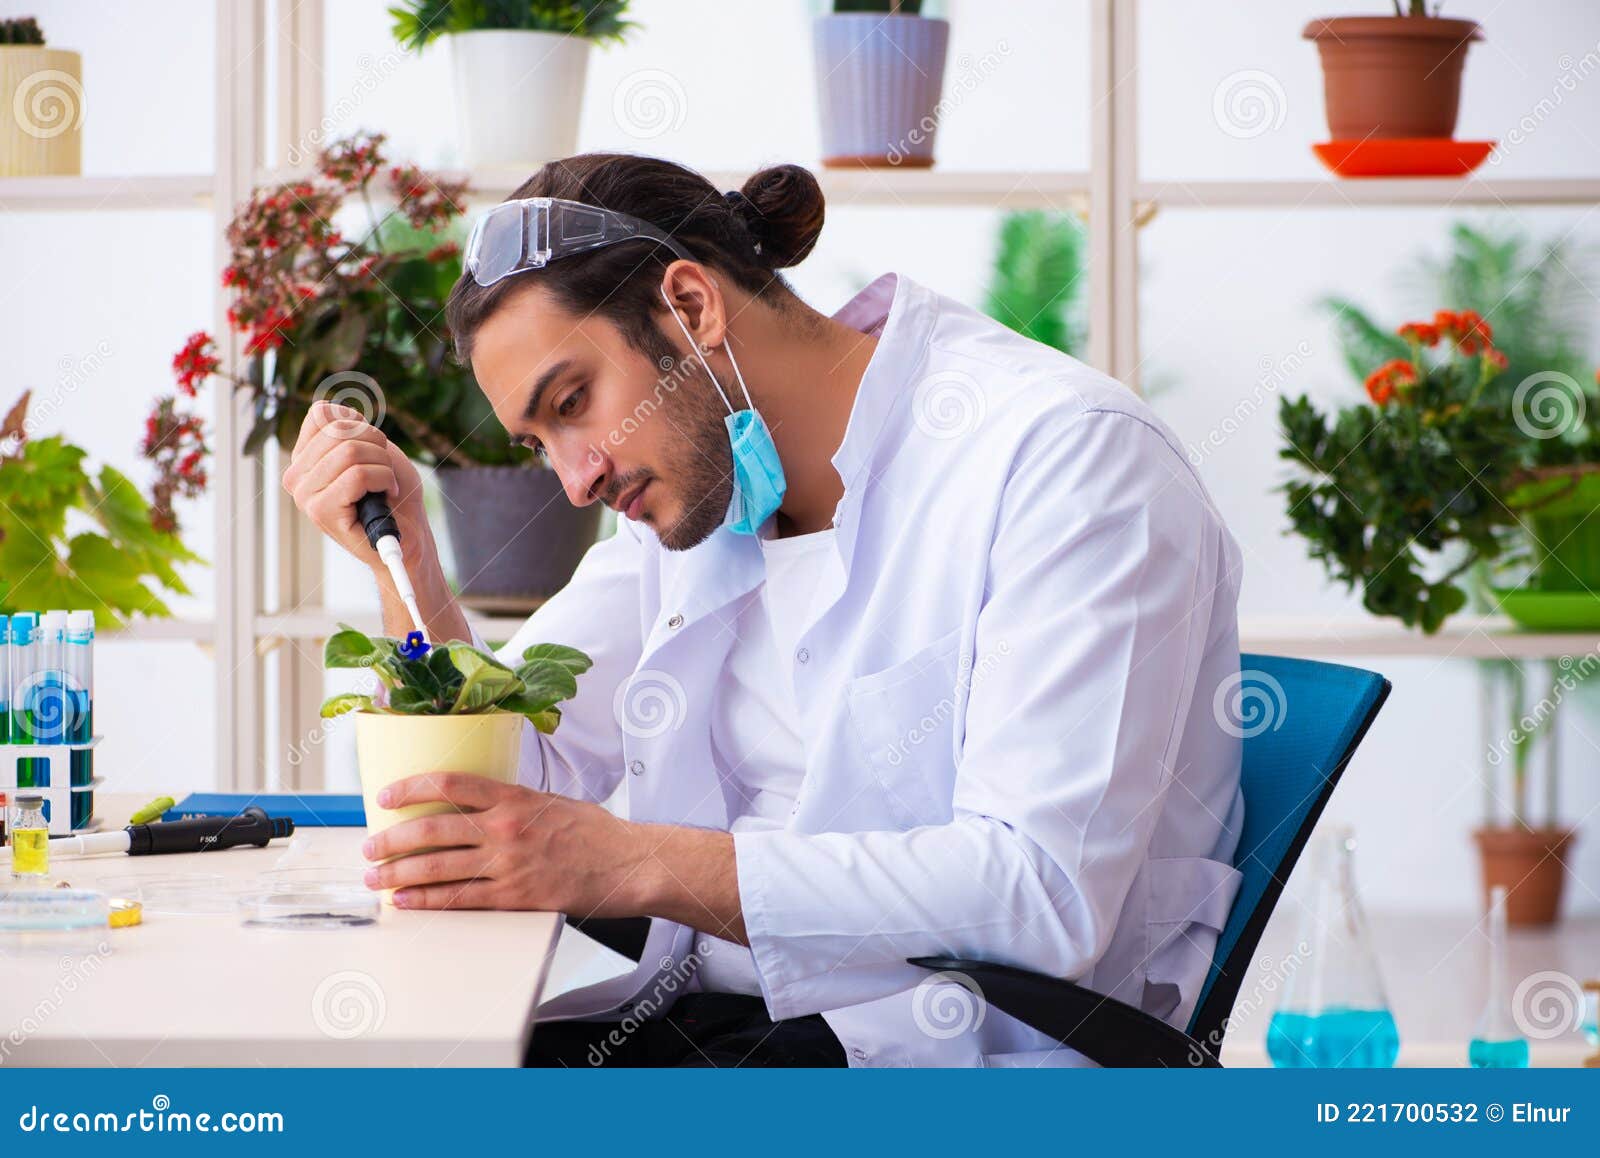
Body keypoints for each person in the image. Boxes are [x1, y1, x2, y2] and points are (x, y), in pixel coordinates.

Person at [283, 154, 1246, 1068]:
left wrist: (630, 863)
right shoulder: (708, 500)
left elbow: (1044, 893)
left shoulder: (1064, 459)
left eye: (573, 402)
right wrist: (405, 563)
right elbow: (505, 775)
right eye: (541, 443)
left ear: (691, 306)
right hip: (714, 1026)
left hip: (944, 1058)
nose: (576, 480)